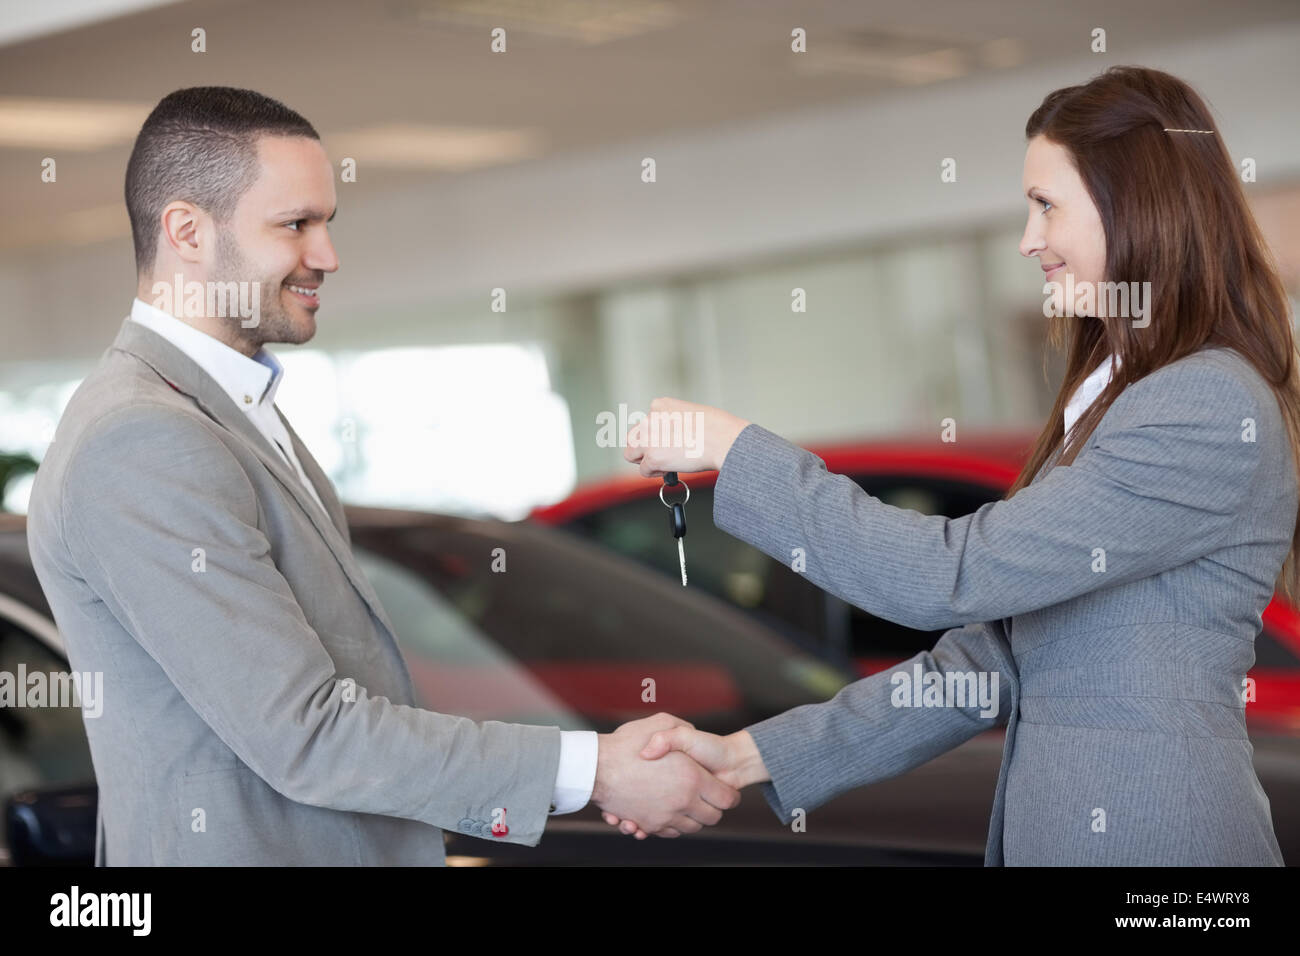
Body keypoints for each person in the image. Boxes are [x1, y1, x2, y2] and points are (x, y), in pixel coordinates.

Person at [25, 86, 738, 865]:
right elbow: (308, 733)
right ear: (188, 232)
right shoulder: (142, 437)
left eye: (326, 223)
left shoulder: (225, 409)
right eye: (295, 224)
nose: (327, 255)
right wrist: (594, 769)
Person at [605, 66, 1300, 865]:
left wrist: (735, 453)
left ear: (1134, 202)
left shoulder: (1203, 405)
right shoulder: (1117, 401)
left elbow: (948, 576)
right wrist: (750, 756)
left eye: (1046, 204)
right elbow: (988, 661)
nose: (1028, 239)